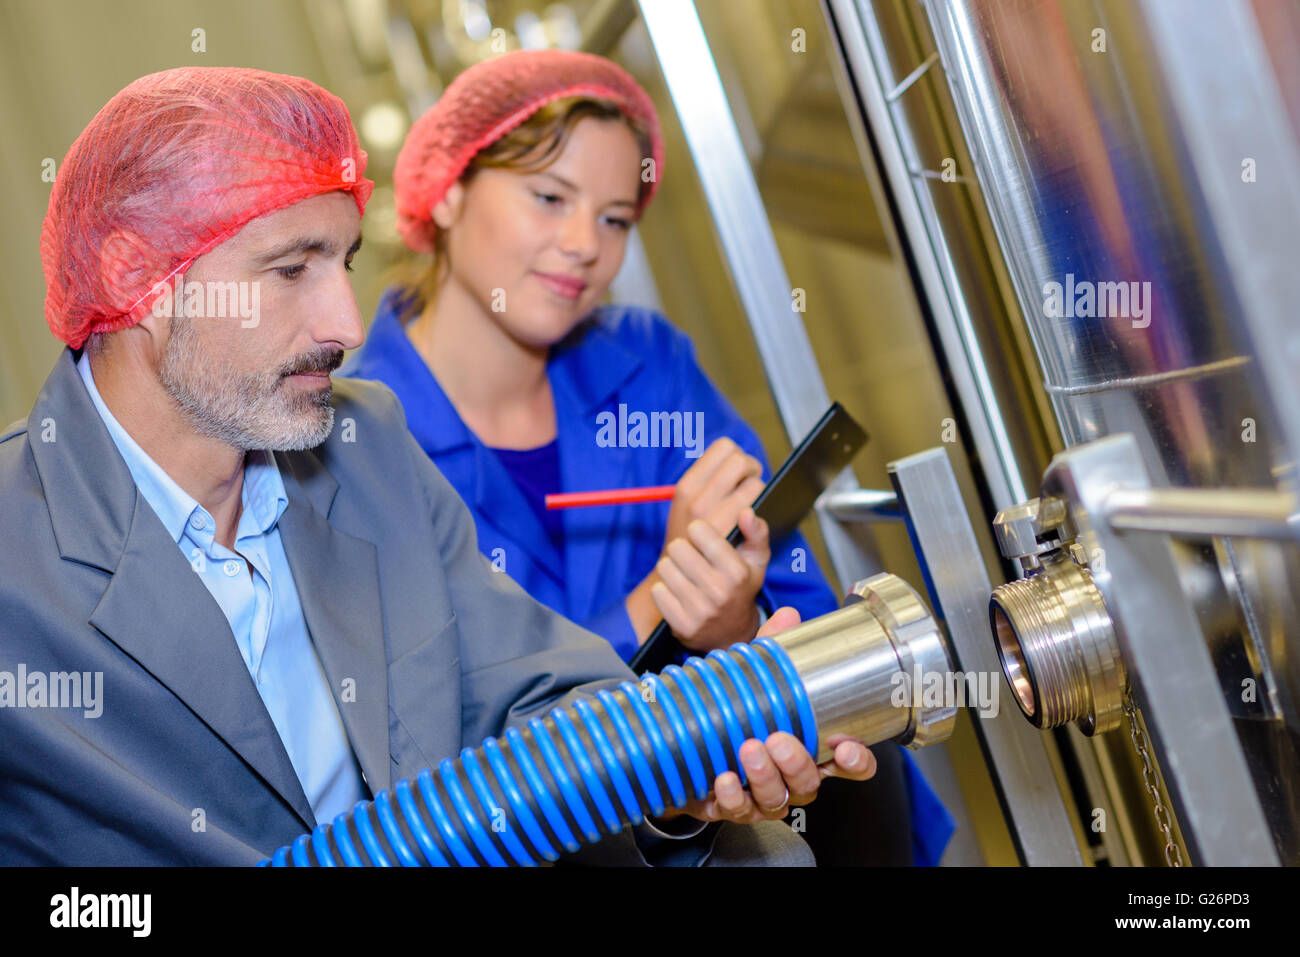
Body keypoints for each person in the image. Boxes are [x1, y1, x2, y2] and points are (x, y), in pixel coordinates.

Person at [0, 66, 880, 866]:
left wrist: (674, 781)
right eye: (291, 268)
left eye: (341, 263)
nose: (345, 324)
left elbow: (533, 697)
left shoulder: (365, 443)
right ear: (135, 276)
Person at [341, 49, 954, 866]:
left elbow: (802, 608)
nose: (583, 245)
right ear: (448, 188)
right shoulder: (353, 443)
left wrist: (735, 622)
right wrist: (656, 610)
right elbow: (437, 760)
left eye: (616, 218)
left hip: (761, 810)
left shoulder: (648, 362)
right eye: (550, 197)